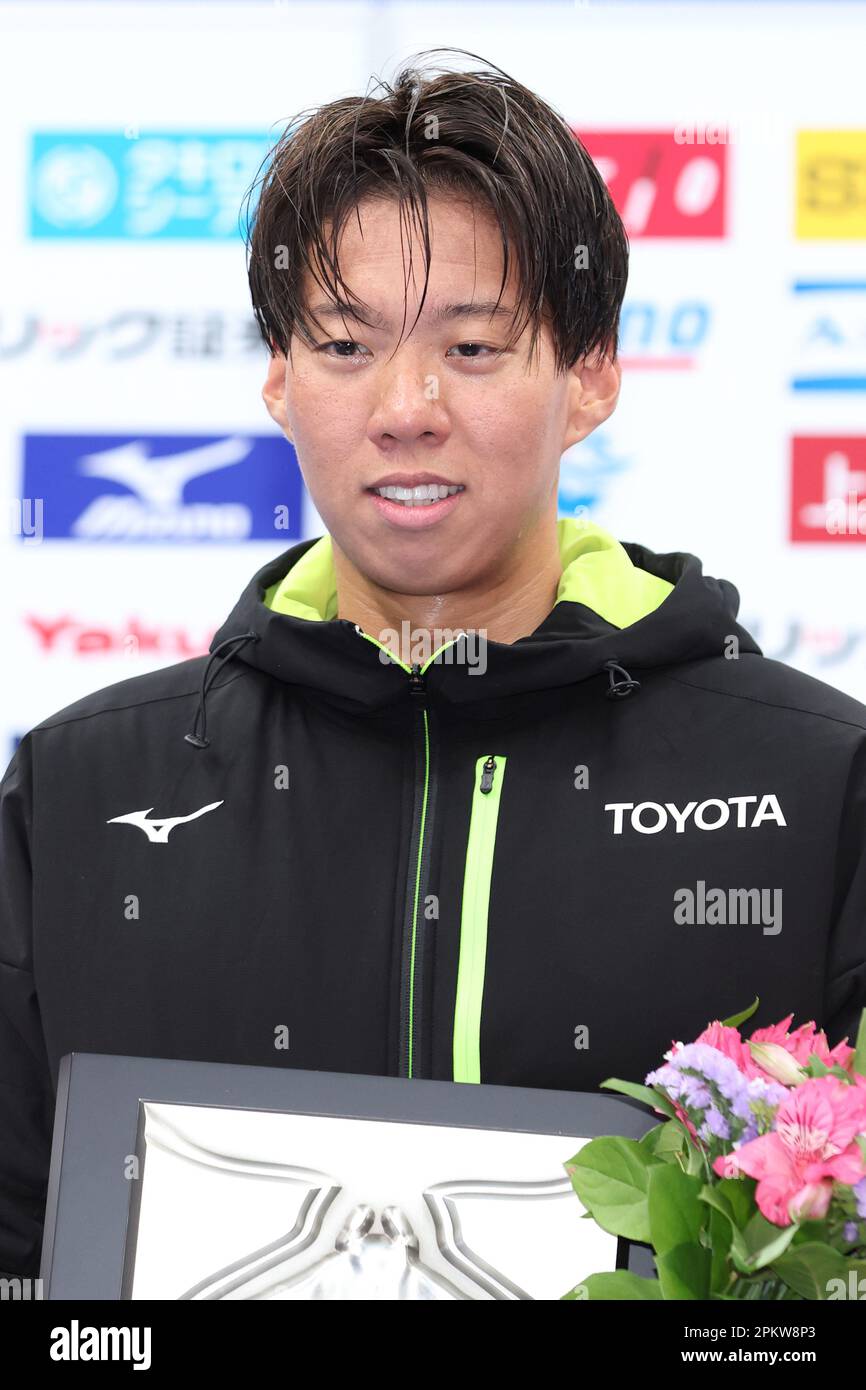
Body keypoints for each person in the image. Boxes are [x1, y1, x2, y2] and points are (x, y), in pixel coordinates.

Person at [1, 49, 865, 1280]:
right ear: (277, 377)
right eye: (345, 345)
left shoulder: (816, 784)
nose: (405, 406)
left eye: (470, 348)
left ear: (589, 373)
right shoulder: (81, 792)